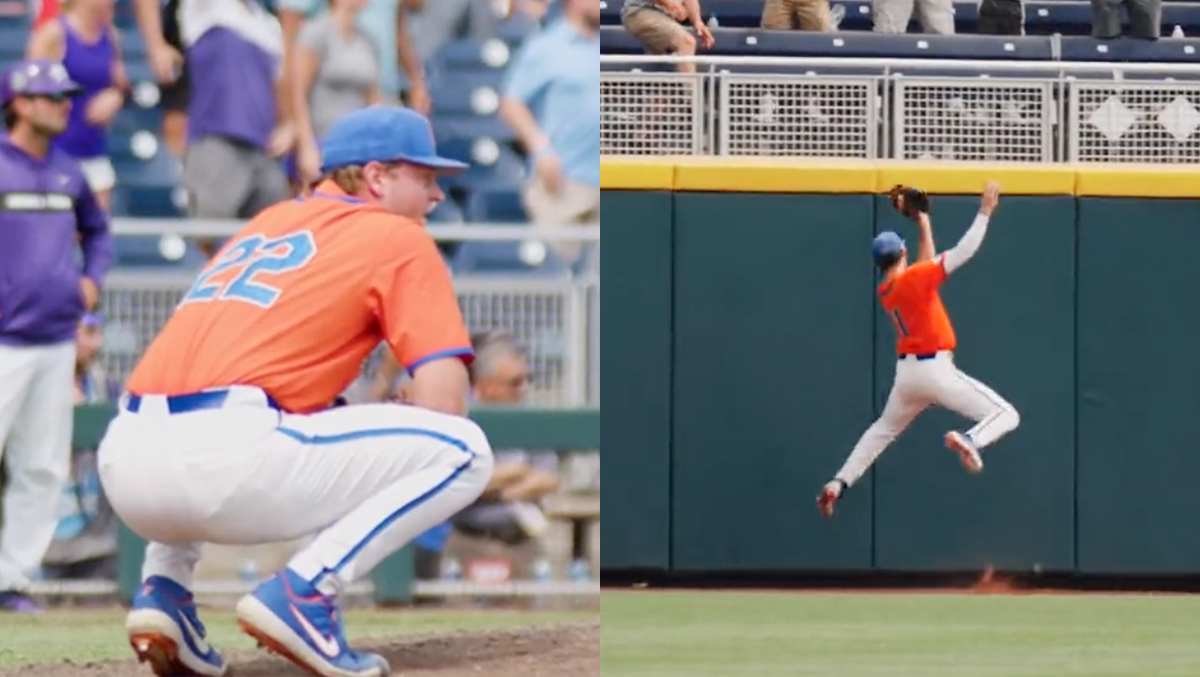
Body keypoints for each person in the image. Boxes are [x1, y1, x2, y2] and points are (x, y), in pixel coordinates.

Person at [97, 105, 494, 677]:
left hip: (128, 460)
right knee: (464, 449)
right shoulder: (395, 235)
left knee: (261, 413)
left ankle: (164, 594)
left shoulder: (266, 223)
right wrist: (399, 423)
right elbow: (444, 404)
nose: (435, 195)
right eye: (424, 177)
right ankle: (307, 592)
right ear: (377, 177)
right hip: (225, 456)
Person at [816, 181, 1020, 518]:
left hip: (908, 376)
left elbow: (923, 269)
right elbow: (963, 251)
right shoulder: (913, 280)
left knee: (882, 430)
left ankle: (840, 482)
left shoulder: (888, 290)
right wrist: (984, 212)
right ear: (903, 253)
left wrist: (924, 222)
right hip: (936, 370)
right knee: (1006, 415)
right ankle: (971, 440)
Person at [0, 58, 114, 613]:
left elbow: (98, 232)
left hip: (53, 340)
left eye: (66, 97)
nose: (64, 105)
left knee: (41, 465)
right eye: (51, 97)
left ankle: (14, 581)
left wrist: (91, 280)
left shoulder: (70, 172)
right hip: (3, 338)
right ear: (19, 103)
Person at [500, 0, 602, 271]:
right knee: (559, 286)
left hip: (608, 183)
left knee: (603, 294)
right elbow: (511, 103)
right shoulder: (547, 46)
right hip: (563, 185)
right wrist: (541, 148)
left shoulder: (611, 46)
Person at [26, 0, 128, 212]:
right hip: (54, 153)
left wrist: (115, 97)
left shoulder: (111, 37)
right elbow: (27, 93)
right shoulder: (53, 34)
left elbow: (121, 86)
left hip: (94, 152)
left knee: (96, 235)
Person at [290, 0, 382, 190]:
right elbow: (298, 93)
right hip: (323, 142)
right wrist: (307, 147)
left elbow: (373, 98)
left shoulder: (368, 40)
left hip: (358, 150)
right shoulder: (315, 33)